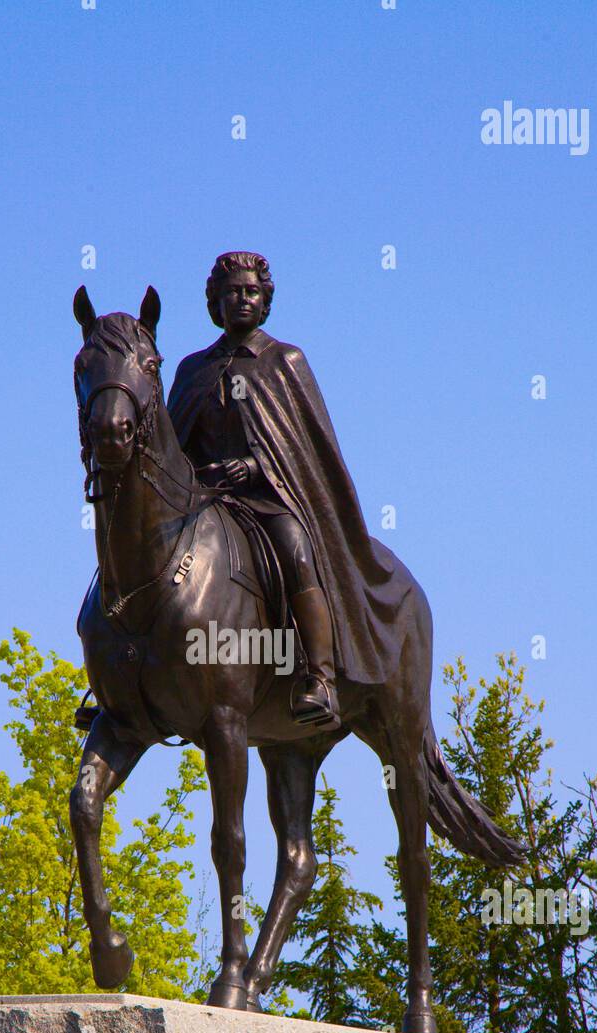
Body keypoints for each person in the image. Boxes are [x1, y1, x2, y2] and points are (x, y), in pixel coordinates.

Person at [167, 250, 415, 726]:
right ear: (214, 302)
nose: (242, 299)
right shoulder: (192, 370)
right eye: (231, 292)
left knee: (296, 552)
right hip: (204, 503)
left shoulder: (284, 361)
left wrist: (254, 464)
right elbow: (171, 447)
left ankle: (320, 679)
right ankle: (120, 682)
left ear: (265, 302)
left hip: (269, 497)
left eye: (251, 292)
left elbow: (305, 447)